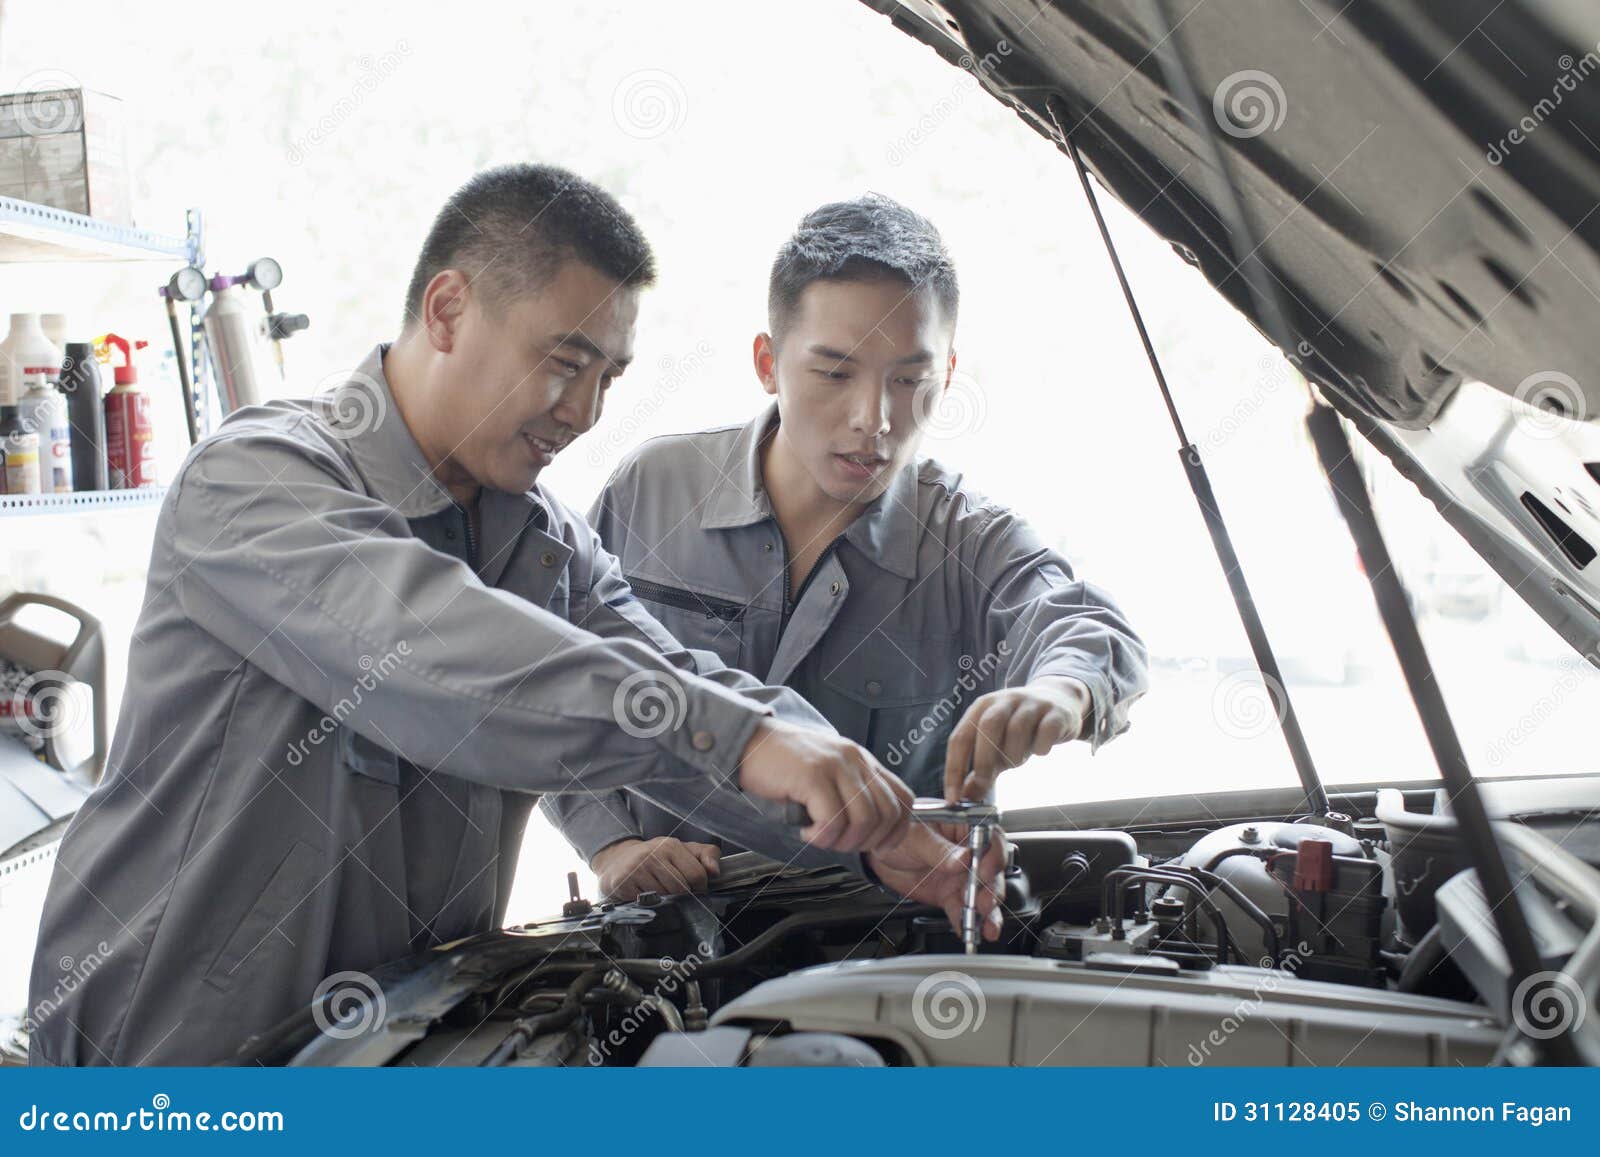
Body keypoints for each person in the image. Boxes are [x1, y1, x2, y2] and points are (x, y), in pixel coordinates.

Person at [26, 167, 1000, 1067]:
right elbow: (437, 649)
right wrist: (744, 737)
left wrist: (881, 833)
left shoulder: (546, 548)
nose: (582, 411)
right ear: (448, 309)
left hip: (401, 1046)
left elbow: (673, 701)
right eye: (564, 363)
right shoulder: (257, 480)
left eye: (609, 378)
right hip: (165, 1065)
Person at [547, 194, 1146, 901]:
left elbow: (1086, 625)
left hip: (878, 956)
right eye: (835, 373)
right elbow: (555, 668)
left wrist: (1062, 691)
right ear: (768, 362)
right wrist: (613, 843)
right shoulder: (653, 489)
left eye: (910, 381)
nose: (875, 420)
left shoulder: (968, 541)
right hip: (655, 942)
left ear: (948, 374)